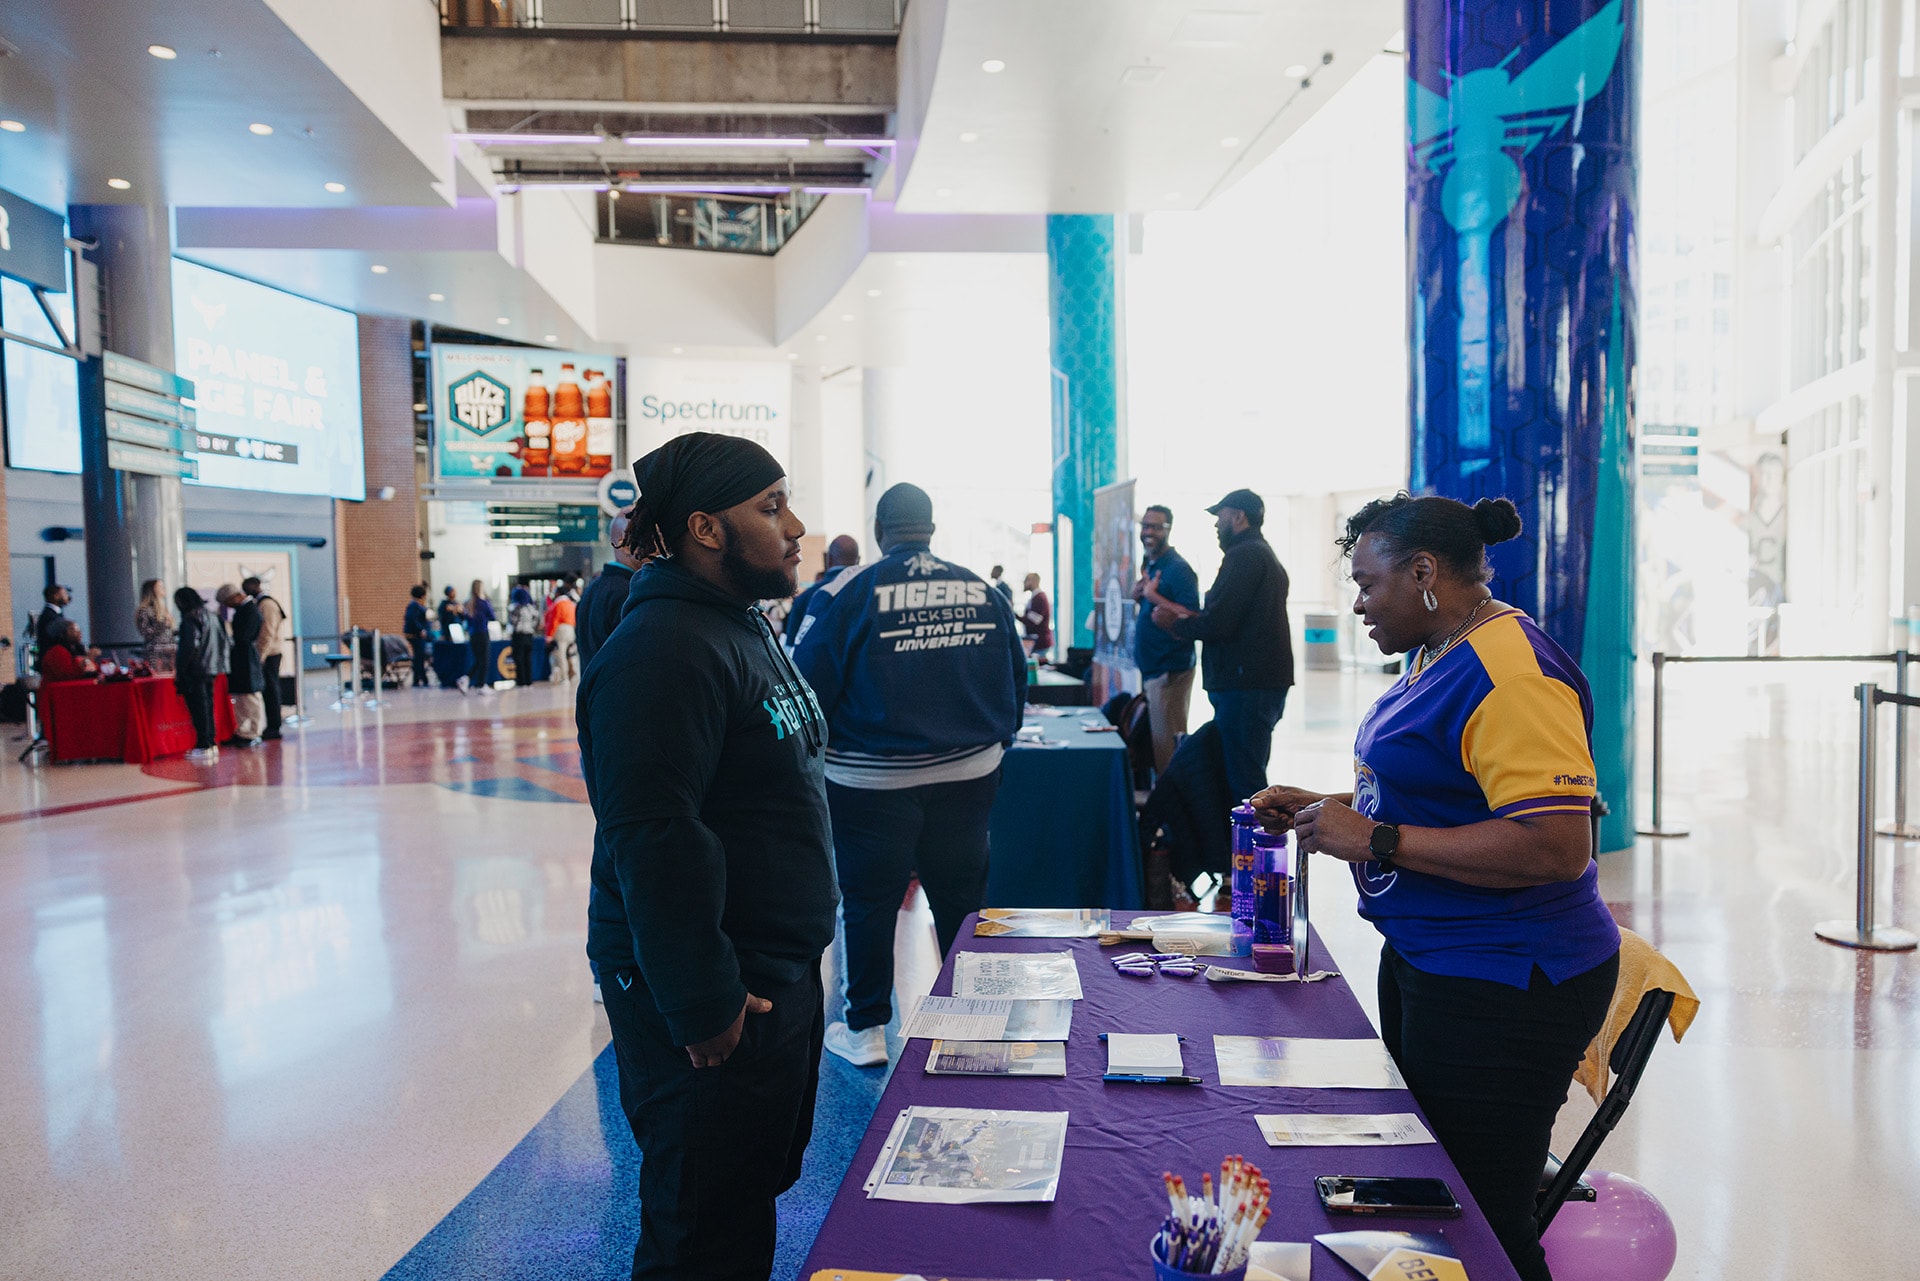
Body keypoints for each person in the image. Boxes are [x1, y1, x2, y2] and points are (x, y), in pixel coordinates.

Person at [1252, 493, 1619, 1281]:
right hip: (1436, 957)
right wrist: (1331, 808)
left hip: (1510, 980)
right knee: (1433, 1190)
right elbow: (1437, 793)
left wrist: (1377, 840)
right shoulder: (1440, 649)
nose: (1357, 603)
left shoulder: (1509, 670)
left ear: (1424, 573)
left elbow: (1557, 843)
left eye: (1367, 582)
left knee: (1483, 1215)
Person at [578, 430, 834, 1280]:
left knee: (740, 1204)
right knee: (698, 1233)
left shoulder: (736, 626)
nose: (795, 524)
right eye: (770, 506)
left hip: (770, 974)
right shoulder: (663, 651)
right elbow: (654, 837)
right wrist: (702, 1003)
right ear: (705, 528)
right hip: (714, 998)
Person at [794, 483, 1027, 1068]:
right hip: (970, 773)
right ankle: (970, 1022)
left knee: (868, 901)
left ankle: (867, 1028)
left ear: (881, 530)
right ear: (930, 526)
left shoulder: (848, 591)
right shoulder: (982, 589)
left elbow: (804, 684)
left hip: (870, 781)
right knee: (961, 896)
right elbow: (1016, 681)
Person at [1147, 487, 1293, 802]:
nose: (1216, 524)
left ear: (1239, 516)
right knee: (1241, 769)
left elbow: (1220, 622)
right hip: (1252, 683)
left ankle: (1250, 848)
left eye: (1220, 516)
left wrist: (1175, 624)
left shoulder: (1245, 556)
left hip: (1246, 686)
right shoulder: (1258, 554)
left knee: (1244, 778)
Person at [1132, 504, 1200, 775]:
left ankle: (1174, 814)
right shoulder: (1152, 564)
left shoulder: (1178, 568)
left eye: (1156, 527)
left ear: (1169, 530)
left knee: (1169, 750)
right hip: (1153, 669)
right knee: (1158, 750)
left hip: (1170, 670)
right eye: (1145, 526)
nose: (1149, 532)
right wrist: (1140, 596)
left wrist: (1153, 597)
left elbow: (1192, 616)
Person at [577, 508, 648, 669]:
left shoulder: (593, 588)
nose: (657, 548)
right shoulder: (628, 592)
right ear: (622, 542)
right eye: (648, 537)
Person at [174, 586, 229, 761]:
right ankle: (210, 742)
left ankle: (204, 743)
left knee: (199, 708)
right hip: (211, 667)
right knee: (207, 706)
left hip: (195, 670)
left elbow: (189, 646)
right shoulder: (212, 616)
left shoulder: (190, 619)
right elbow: (224, 641)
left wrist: (181, 669)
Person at [784, 533, 861, 648]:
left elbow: (790, 650)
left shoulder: (804, 599)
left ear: (828, 558)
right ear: (858, 560)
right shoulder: (869, 592)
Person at [218, 584, 266, 747]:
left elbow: (245, 636)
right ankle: (242, 730)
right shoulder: (243, 610)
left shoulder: (251, 611)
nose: (228, 607)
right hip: (240, 658)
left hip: (247, 658)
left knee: (251, 696)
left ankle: (254, 731)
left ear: (236, 596)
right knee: (240, 697)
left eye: (228, 602)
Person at [244, 576, 286, 740]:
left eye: (247, 587)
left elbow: (267, 632)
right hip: (268, 652)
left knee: (271, 690)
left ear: (255, 586)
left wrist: (261, 655)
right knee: (268, 689)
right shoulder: (261, 603)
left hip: (271, 653)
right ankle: (271, 724)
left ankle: (274, 726)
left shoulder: (267, 604)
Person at [135, 579, 177, 673]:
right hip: (155, 653)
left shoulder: (164, 609)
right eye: (160, 586)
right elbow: (144, 631)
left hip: (170, 651)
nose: (164, 588)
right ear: (152, 590)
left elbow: (170, 632)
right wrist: (163, 624)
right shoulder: (145, 610)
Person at [462, 580, 495, 693]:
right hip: (482, 633)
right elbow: (492, 616)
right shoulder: (483, 603)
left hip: (472, 635)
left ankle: (466, 679)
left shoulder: (468, 603)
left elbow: (465, 618)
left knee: (478, 660)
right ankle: (481, 685)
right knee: (485, 660)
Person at [34, 583, 73, 670]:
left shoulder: (56, 614)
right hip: (53, 663)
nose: (68, 597)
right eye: (64, 594)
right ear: (56, 596)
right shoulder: (50, 616)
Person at [548, 578, 580, 683]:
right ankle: (574, 675)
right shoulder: (571, 604)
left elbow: (554, 620)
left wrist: (549, 635)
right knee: (571, 654)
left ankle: (565, 677)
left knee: (561, 655)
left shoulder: (558, 604)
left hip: (561, 630)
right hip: (571, 629)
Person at [508, 586, 539, 687]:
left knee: (519, 658)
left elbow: (513, 621)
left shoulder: (515, 607)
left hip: (519, 635)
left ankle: (521, 681)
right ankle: (528, 680)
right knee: (528, 658)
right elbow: (536, 620)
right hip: (529, 635)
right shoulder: (531, 608)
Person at [404, 585, 432, 687]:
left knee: (419, 657)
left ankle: (417, 679)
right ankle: (423, 678)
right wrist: (421, 630)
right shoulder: (414, 605)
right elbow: (412, 619)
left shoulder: (417, 605)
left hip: (418, 635)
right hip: (416, 636)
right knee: (419, 657)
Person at [1019, 571, 1052, 655]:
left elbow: (1033, 622)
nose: (1024, 583)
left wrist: (1015, 615)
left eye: (1026, 580)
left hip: (1040, 644)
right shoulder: (1035, 597)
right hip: (1036, 643)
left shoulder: (1040, 598)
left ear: (1034, 581)